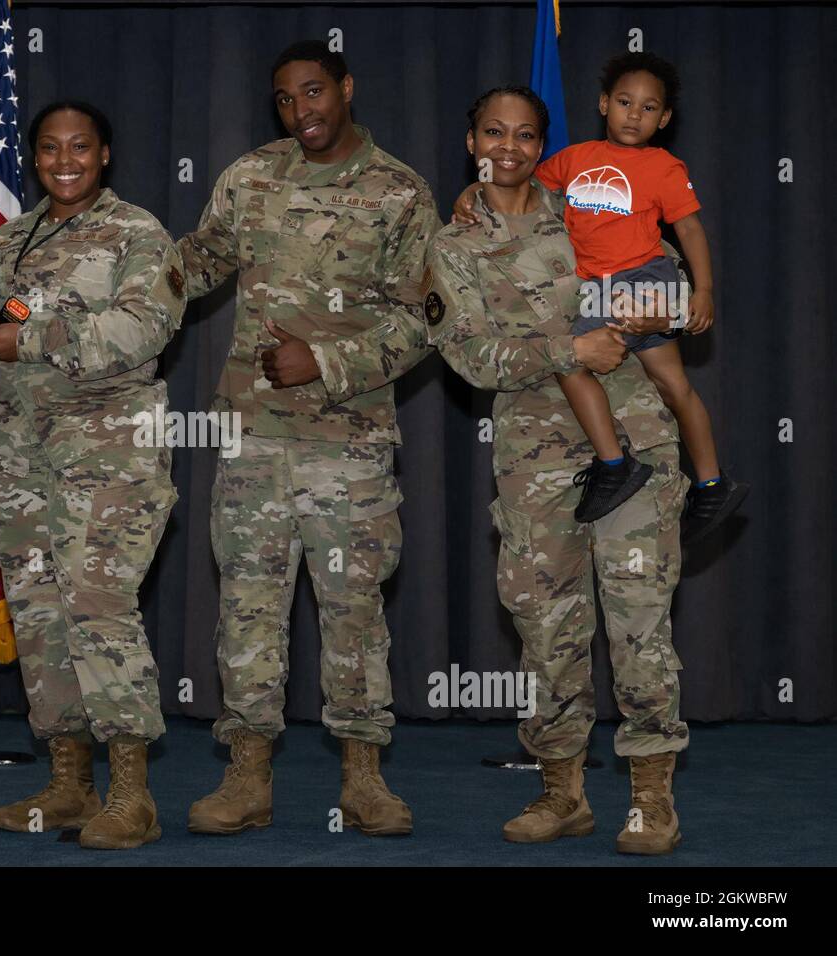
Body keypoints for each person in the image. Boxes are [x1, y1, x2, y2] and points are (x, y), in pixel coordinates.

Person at [176, 41, 439, 836]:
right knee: (248, 609)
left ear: (347, 88)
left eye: (315, 92)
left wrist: (322, 360)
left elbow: (425, 322)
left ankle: (364, 779)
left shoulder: (399, 192)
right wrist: (84, 290)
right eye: (287, 100)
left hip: (348, 444)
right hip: (252, 436)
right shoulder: (251, 177)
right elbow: (191, 266)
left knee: (352, 609)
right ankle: (247, 775)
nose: (304, 111)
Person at [427, 86, 689, 854]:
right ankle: (562, 793)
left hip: (636, 441)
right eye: (492, 133)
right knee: (546, 627)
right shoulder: (454, 245)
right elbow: (469, 356)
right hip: (536, 459)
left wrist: (647, 311)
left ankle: (650, 798)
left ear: (545, 146)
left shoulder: (586, 202)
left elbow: (664, 273)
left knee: (640, 618)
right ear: (471, 138)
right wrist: (566, 350)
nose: (507, 148)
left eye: (525, 136)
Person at [0, 102, 185, 851]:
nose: (63, 160)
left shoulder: (141, 234)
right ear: (33, 159)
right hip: (18, 455)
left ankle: (133, 793)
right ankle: (69, 782)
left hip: (109, 452)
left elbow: (146, 328)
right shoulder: (6, 240)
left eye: (79, 147)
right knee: (40, 616)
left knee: (100, 607)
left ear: (104, 154)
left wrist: (28, 339)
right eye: (48, 149)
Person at [457, 53, 746, 538]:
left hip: (639, 279)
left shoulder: (664, 167)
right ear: (603, 103)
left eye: (649, 107)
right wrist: (472, 189)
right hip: (601, 284)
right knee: (674, 385)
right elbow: (519, 186)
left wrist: (704, 290)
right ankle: (712, 483)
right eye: (625, 102)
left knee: (572, 360)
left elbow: (690, 228)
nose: (635, 115)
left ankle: (614, 464)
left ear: (666, 118)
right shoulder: (573, 159)